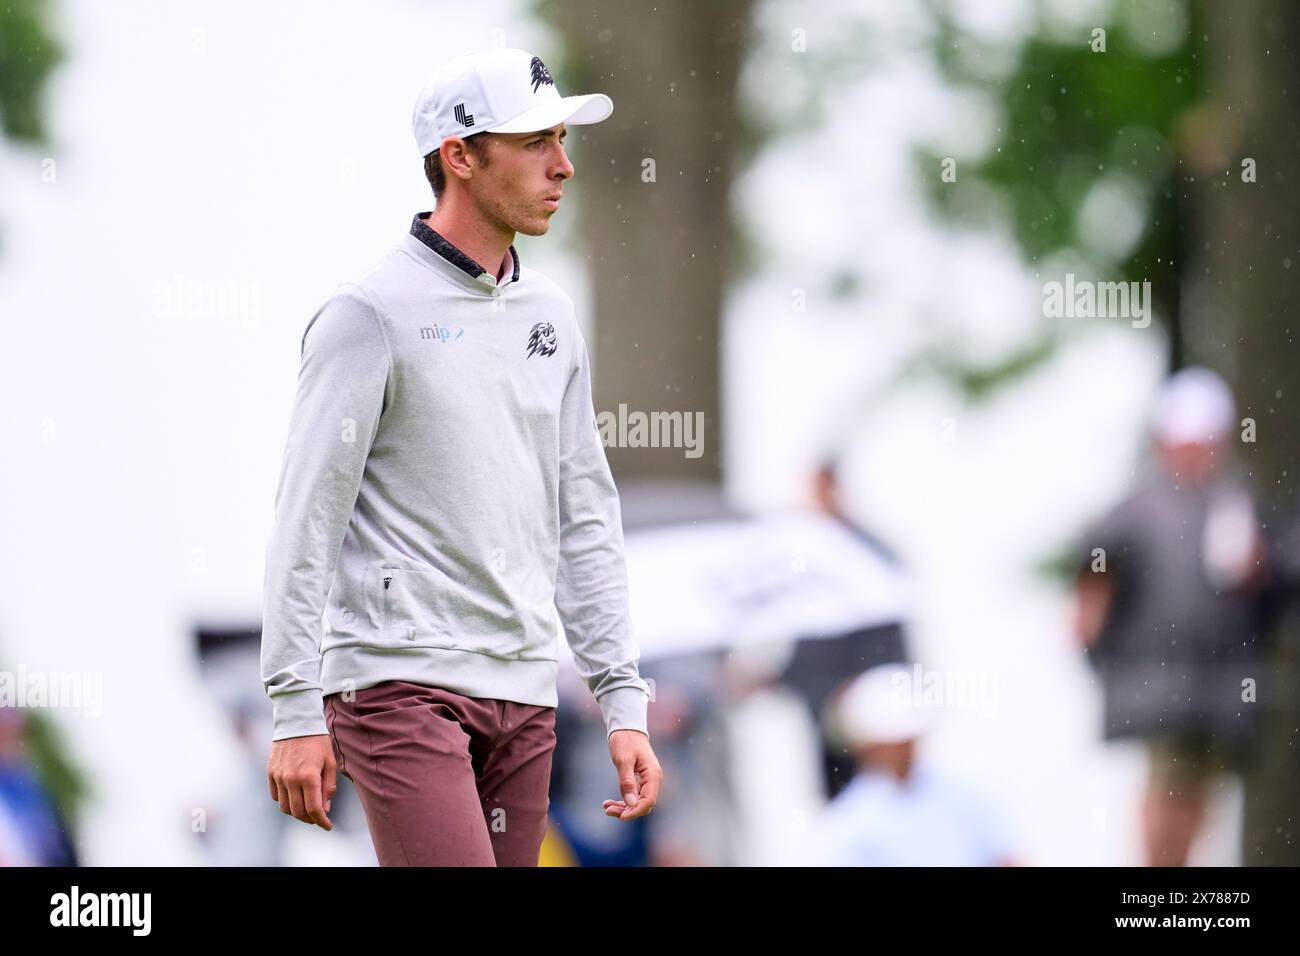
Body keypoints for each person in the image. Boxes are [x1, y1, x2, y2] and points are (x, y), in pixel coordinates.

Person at [260, 48, 661, 866]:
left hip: (525, 696)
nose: (563, 165)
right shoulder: (368, 315)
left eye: (561, 140)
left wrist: (623, 701)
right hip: (399, 687)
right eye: (536, 142)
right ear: (460, 157)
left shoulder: (550, 316)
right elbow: (307, 520)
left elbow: (584, 514)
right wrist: (295, 707)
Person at [1072, 366, 1275, 867]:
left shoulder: (1238, 501)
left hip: (1216, 685)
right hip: (1157, 683)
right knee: (1167, 786)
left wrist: (1261, 570)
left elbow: (1274, 575)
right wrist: (1092, 622)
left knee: (1198, 793)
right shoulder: (1138, 510)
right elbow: (1094, 567)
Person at [813, 664, 1019, 867]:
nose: (904, 749)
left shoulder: (965, 794)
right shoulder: (853, 820)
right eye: (893, 743)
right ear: (867, 747)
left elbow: (1006, 857)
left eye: (907, 741)